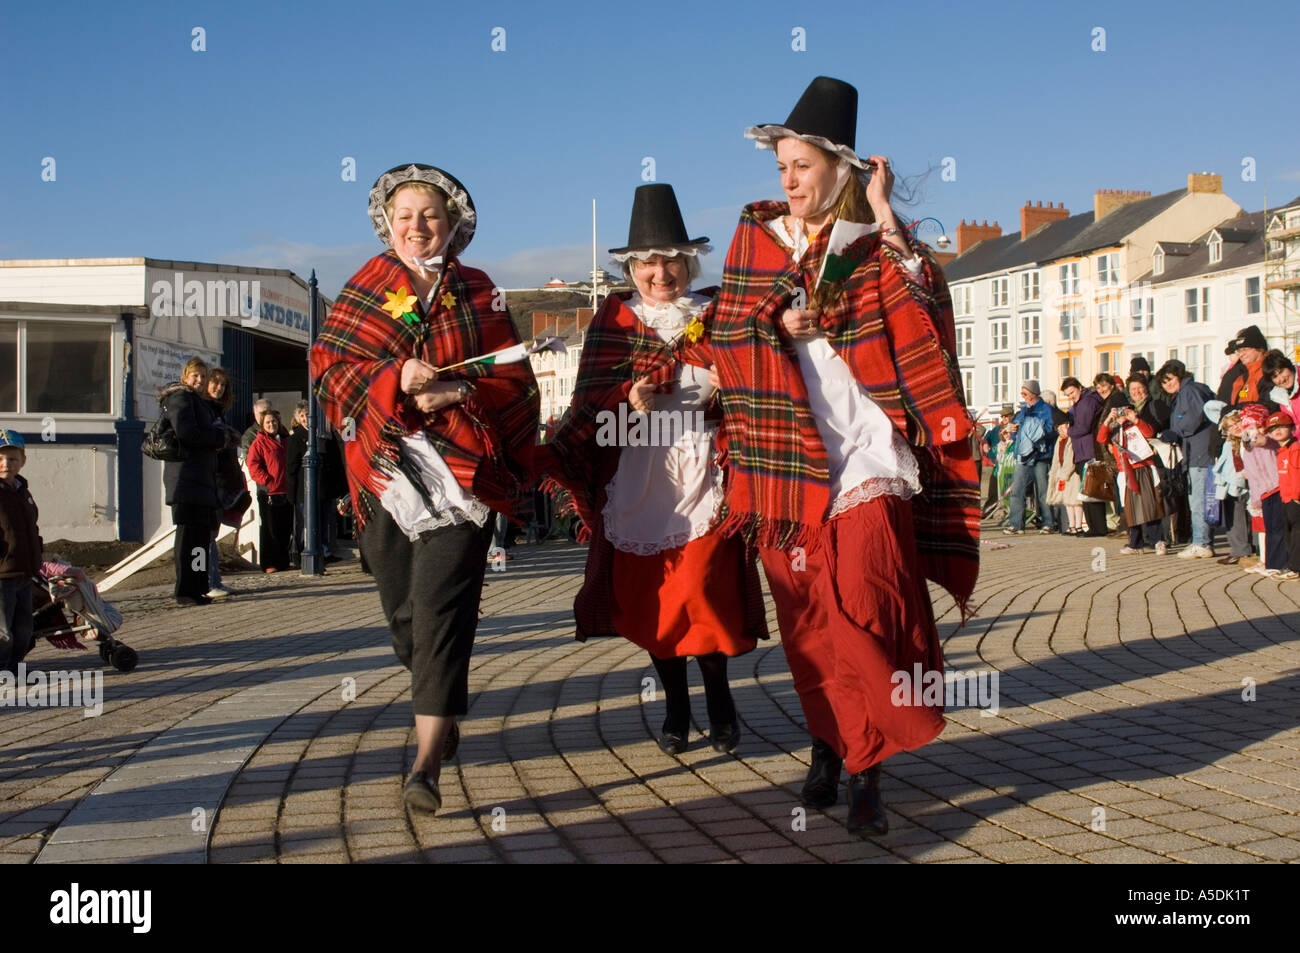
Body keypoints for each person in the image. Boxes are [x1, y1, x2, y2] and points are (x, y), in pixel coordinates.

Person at [686, 76, 978, 836]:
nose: (786, 180)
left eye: (801, 167)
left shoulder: (875, 245)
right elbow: (725, 333)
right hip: (782, 465)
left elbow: (928, 316)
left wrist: (883, 217)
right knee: (809, 620)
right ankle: (828, 743)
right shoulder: (757, 234)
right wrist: (780, 323)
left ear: (839, 170)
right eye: (780, 166)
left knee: (868, 610)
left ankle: (867, 766)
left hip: (866, 457)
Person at [310, 162, 538, 816]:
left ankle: (424, 763)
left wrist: (458, 389)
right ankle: (439, 697)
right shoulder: (366, 285)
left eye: (430, 215)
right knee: (405, 615)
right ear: (388, 223)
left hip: (462, 471)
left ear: (453, 223)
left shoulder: (479, 289)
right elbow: (329, 371)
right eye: (406, 215)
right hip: (384, 467)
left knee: (441, 607)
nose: (418, 226)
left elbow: (516, 381)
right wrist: (397, 375)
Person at [540, 183, 766, 755]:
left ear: (688, 264)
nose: (660, 273)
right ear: (631, 268)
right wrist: (626, 396)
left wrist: (722, 394)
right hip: (637, 478)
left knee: (703, 592)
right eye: (647, 263)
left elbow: (757, 388)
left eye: (671, 261)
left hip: (705, 475)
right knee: (656, 601)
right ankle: (675, 708)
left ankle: (719, 700)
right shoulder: (613, 324)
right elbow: (587, 406)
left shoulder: (718, 316)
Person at [161, 357, 231, 605]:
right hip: (186, 480)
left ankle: (199, 586)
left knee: (201, 539)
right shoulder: (180, 398)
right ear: (185, 377)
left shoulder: (198, 402)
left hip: (201, 480)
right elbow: (186, 433)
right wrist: (216, 437)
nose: (200, 381)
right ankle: (185, 590)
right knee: (188, 538)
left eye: (203, 376)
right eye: (195, 376)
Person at [1156, 362, 1217, 558]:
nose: (1168, 385)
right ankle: (1201, 539)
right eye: (1164, 383)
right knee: (1197, 498)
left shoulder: (1189, 391)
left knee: (1198, 499)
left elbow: (1193, 418)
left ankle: (1201, 542)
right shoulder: (1184, 393)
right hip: (1194, 451)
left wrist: (1175, 432)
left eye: (1171, 379)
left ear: (1180, 376)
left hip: (1199, 452)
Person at [1098, 402, 1164, 555]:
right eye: (1119, 411)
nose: (1122, 414)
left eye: (1125, 411)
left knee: (1150, 504)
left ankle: (1157, 540)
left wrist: (1134, 419)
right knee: (1130, 507)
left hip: (1143, 467)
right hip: (1125, 470)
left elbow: (1149, 433)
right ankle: (1135, 543)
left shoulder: (1136, 424)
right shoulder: (1114, 429)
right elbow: (1101, 438)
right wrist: (1108, 419)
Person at [0, 430, 41, 676]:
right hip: (2, 574)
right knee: (3, 630)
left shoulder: (23, 492)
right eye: (1, 459)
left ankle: (15, 666)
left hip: (25, 572)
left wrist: (39, 554)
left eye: (13, 459)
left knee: (25, 626)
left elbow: (32, 527)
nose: (6, 464)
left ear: (22, 461)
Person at [204, 367, 241, 598]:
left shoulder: (218, 412)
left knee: (211, 535)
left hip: (219, 481)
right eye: (215, 383)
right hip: (209, 481)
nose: (219, 388)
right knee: (205, 536)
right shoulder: (205, 410)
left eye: (223, 385)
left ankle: (213, 579)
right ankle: (207, 582)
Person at [1237, 404, 1285, 577]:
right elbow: (1253, 475)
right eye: (1250, 428)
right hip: (1262, 493)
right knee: (1268, 529)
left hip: (1277, 487)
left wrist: (1263, 438)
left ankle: (1277, 563)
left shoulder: (1269, 440)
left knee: (1277, 529)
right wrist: (1256, 498)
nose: (1255, 431)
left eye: (1258, 426)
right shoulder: (1248, 447)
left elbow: (1273, 443)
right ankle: (1269, 562)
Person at [1003, 381, 1055, 535]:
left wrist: (1031, 428)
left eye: (1025, 393)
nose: (1023, 397)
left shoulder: (1046, 409)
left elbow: (1050, 430)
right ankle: (1016, 524)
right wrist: (1012, 430)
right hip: (1024, 455)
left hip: (1041, 454)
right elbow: (1015, 433)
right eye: (1022, 394)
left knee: (1043, 490)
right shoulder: (1023, 411)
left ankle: (1048, 523)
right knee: (1017, 489)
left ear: (1034, 393)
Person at [1061, 377, 1108, 538]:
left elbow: (1085, 426)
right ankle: (1093, 526)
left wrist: (1069, 432)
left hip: (1089, 450)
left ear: (1079, 387)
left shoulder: (1088, 402)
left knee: (1092, 491)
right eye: (1068, 395)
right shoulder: (1078, 404)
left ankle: (1098, 527)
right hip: (1081, 451)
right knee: (1086, 492)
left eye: (1072, 393)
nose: (1071, 396)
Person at [246, 409, 292, 573]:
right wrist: (268, 481)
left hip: (286, 491)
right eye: (268, 422)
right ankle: (269, 562)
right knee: (269, 529)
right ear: (262, 425)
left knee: (285, 529)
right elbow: (253, 466)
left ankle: (283, 561)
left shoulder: (286, 440)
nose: (271, 425)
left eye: (274, 422)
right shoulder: (259, 443)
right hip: (269, 492)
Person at [1270, 412, 1300, 580]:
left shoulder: (1295, 449)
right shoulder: (1282, 451)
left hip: (1295, 499)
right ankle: (1291, 564)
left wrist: (1295, 496)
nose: (1277, 431)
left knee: (1297, 534)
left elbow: (1296, 475)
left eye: (1281, 427)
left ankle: (1295, 567)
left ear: (1292, 428)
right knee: (1289, 534)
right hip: (1286, 498)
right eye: (1273, 429)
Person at [1046, 422, 1083, 535]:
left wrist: (1064, 474)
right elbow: (1056, 458)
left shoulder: (1072, 439)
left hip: (1072, 474)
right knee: (1067, 501)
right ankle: (1071, 525)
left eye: (1063, 428)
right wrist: (1055, 472)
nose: (1061, 430)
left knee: (1076, 502)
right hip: (1062, 473)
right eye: (1059, 428)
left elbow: (1071, 458)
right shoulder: (1059, 440)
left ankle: (1079, 526)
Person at [285, 400, 310, 564]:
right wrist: (291, 493)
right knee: (301, 524)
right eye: (301, 415)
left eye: (307, 414)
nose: (305, 418)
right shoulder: (295, 438)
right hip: (301, 488)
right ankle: (300, 553)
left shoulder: (318, 434)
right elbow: (291, 467)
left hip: (314, 488)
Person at [1262, 349, 1300, 423]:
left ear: (1289, 367)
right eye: (1275, 376)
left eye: (1281, 372)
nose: (1281, 379)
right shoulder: (1281, 396)